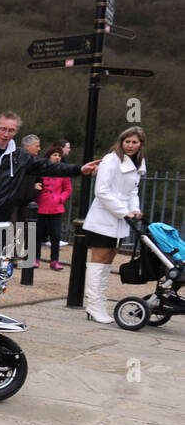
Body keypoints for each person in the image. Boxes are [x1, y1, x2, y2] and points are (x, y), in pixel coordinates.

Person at [0, 112, 97, 263]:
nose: (6, 134)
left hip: (1, 222)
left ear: (16, 132)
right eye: (3, 129)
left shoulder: (20, 155)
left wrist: (79, 170)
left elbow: (47, 166)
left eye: (11, 130)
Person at [81, 126, 146, 323]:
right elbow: (101, 191)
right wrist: (123, 211)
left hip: (121, 221)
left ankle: (99, 304)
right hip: (103, 218)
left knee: (108, 262)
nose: (130, 145)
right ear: (121, 142)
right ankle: (93, 305)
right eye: (127, 141)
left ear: (140, 144)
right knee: (98, 262)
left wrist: (134, 209)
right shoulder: (111, 160)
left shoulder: (139, 163)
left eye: (134, 142)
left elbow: (133, 191)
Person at [36, 144, 72, 271]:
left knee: (56, 235)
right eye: (54, 155)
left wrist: (61, 198)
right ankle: (36, 258)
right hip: (40, 204)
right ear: (49, 156)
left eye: (59, 155)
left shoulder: (64, 172)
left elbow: (68, 189)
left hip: (56, 207)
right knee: (38, 234)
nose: (57, 157)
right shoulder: (41, 169)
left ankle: (54, 260)